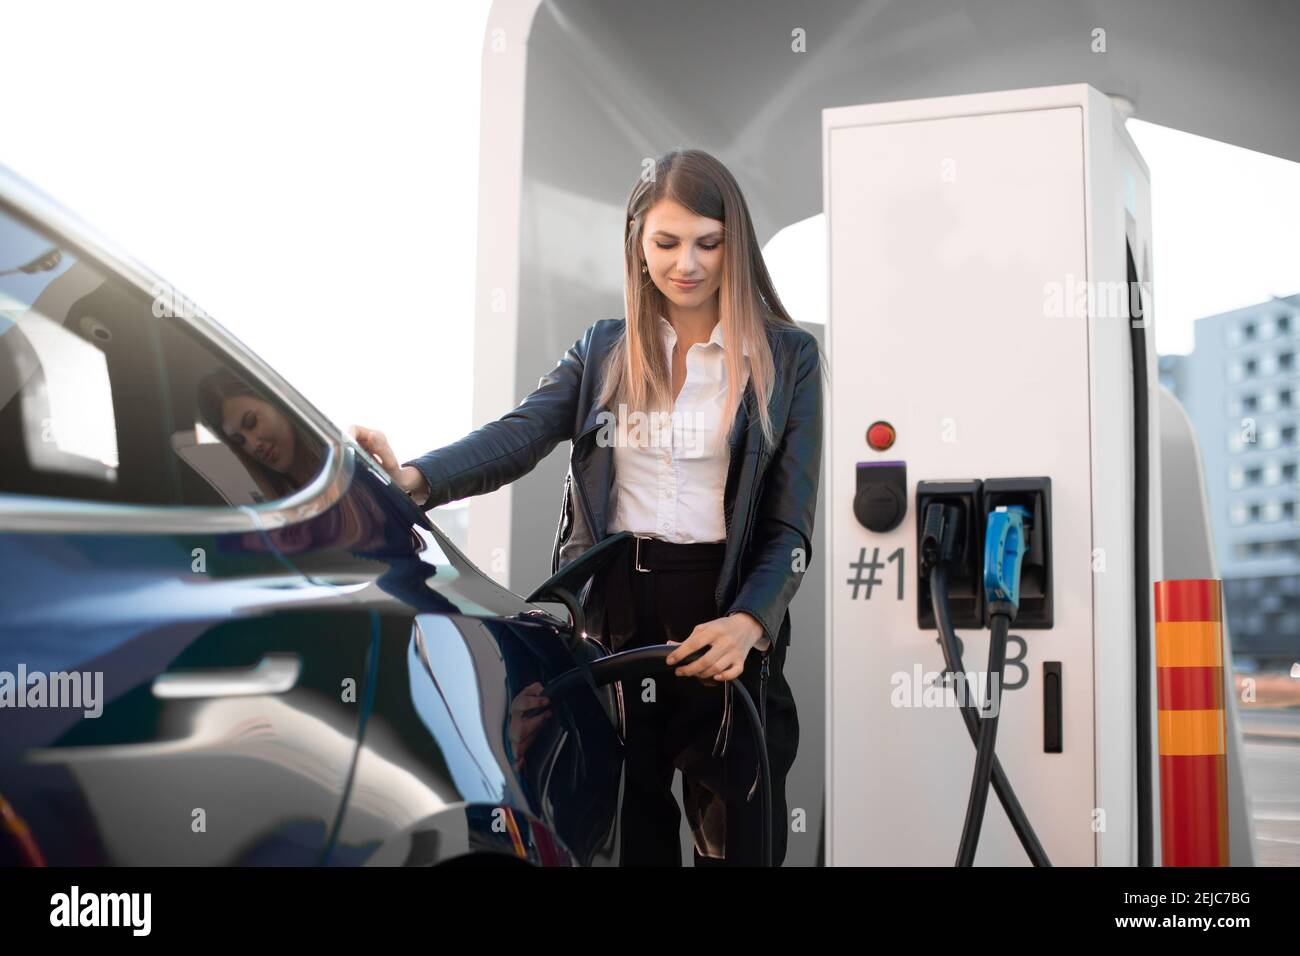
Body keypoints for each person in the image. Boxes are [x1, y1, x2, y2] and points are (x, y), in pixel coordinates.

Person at [351, 148, 824, 866]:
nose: (687, 263)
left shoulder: (789, 359)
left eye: (708, 242)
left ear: (736, 243)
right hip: (614, 622)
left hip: (723, 625)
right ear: (638, 243)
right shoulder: (602, 349)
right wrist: (413, 477)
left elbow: (789, 526)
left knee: (741, 846)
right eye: (667, 242)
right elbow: (517, 437)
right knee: (628, 842)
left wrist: (750, 623)